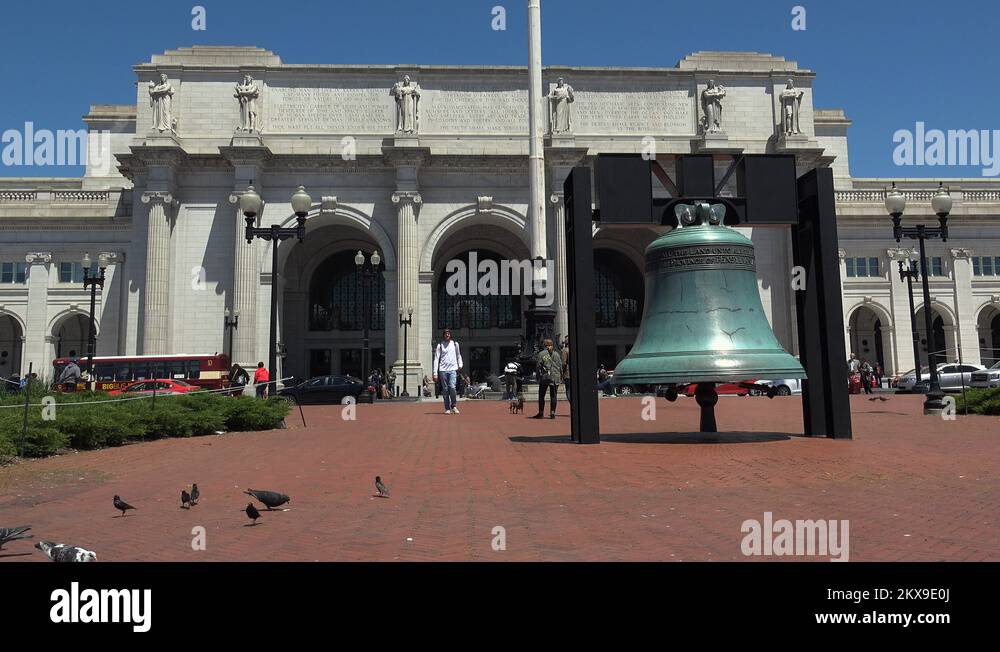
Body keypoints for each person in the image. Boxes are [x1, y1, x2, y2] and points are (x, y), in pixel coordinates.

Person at [432, 328, 464, 414]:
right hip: (443, 370)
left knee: (452, 387)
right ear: (443, 335)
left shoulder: (455, 344)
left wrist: (460, 364)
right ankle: (447, 408)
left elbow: (458, 355)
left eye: (448, 334)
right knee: (445, 390)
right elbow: (436, 359)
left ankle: (453, 405)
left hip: (453, 369)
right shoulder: (440, 345)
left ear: (450, 335)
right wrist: (435, 373)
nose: (447, 335)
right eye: (446, 334)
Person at [532, 338, 564, 419]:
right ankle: (552, 413)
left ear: (544, 345)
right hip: (555, 377)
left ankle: (541, 412)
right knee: (553, 396)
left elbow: (538, 366)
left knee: (541, 395)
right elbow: (560, 366)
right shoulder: (557, 354)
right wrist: (561, 376)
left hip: (545, 377)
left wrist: (538, 376)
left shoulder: (542, 354)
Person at [561, 336, 571, 404]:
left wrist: (562, 374)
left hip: (568, 373)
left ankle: (573, 404)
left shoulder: (565, 350)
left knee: (568, 390)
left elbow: (564, 363)